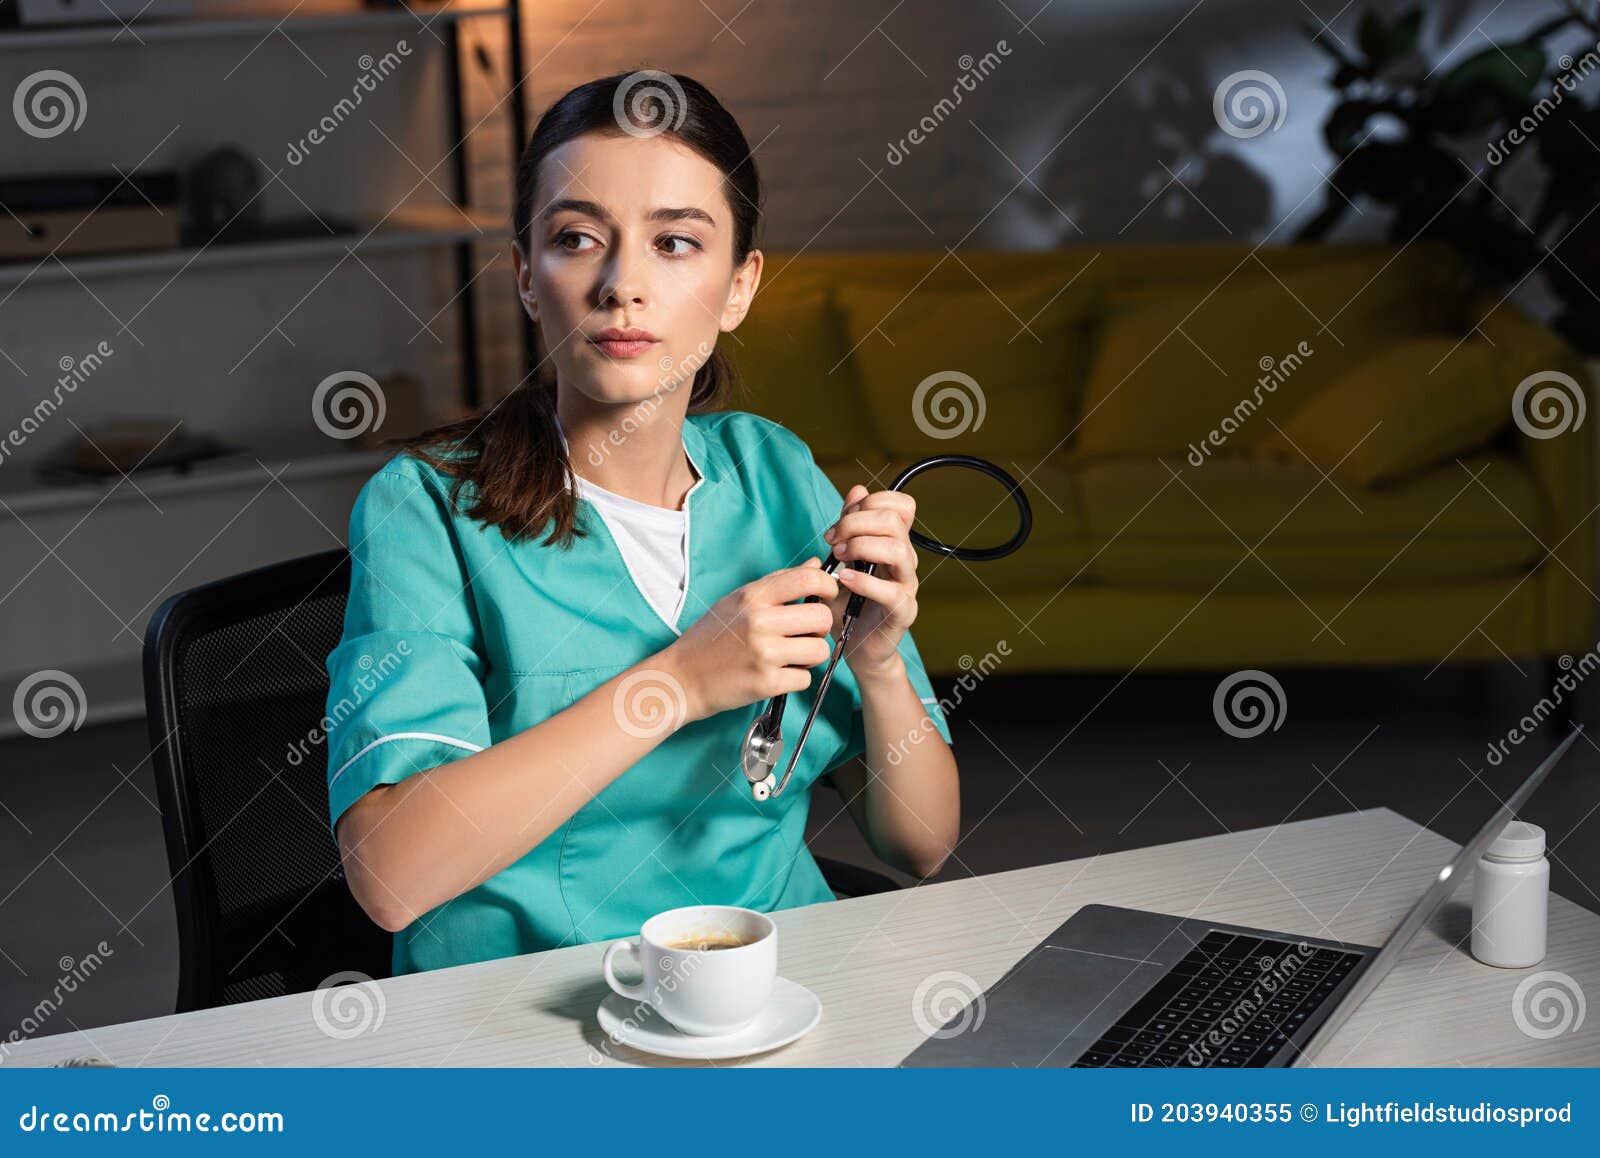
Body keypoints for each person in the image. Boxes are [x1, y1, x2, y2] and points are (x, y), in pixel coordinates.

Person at [323, 71, 958, 976]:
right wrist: (682, 683)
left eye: (674, 243)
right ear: (526, 278)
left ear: (739, 287)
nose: (623, 284)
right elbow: (390, 875)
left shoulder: (776, 473)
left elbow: (922, 844)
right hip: (522, 1018)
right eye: (578, 239)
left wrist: (881, 661)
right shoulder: (425, 506)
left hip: (767, 994)